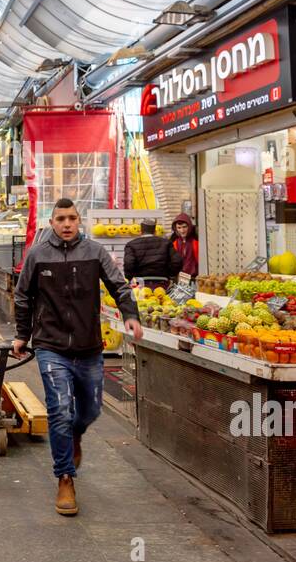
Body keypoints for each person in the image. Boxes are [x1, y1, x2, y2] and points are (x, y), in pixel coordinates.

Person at [11, 198, 141, 518]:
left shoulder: (95, 252)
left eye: (72, 218)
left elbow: (119, 286)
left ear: (78, 220)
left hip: (89, 347)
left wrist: (130, 315)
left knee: (89, 410)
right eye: (61, 219)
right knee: (59, 410)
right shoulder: (37, 255)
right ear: (52, 222)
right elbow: (23, 295)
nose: (67, 224)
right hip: (50, 345)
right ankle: (65, 477)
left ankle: (75, 436)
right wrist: (22, 334)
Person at [123, 219, 181, 285]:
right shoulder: (166, 243)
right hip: (162, 281)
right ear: (155, 231)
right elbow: (177, 261)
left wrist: (130, 278)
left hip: (140, 282)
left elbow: (128, 263)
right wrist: (170, 274)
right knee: (161, 295)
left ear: (141, 231)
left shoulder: (131, 245)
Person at [169, 213, 200, 278]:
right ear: (175, 229)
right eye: (179, 228)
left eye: (184, 227)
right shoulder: (174, 243)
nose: (182, 230)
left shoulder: (196, 241)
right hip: (179, 278)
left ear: (189, 227)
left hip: (196, 277)